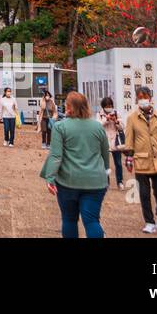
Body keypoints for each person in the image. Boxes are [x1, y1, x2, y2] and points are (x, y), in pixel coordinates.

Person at [40, 91, 110, 238]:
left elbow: (56, 155)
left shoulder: (60, 127)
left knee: (69, 220)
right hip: (95, 182)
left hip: (68, 181)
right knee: (92, 221)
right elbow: (105, 154)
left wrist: (50, 178)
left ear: (70, 107)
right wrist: (106, 173)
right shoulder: (98, 127)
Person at [121, 85, 157, 234]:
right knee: (144, 194)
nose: (143, 100)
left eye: (145, 97)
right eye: (140, 98)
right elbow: (129, 139)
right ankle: (149, 222)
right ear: (136, 99)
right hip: (141, 160)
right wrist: (129, 157)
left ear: (150, 98)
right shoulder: (132, 118)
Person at [97, 97, 125, 189]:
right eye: (107, 106)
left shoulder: (116, 113)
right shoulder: (99, 114)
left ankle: (120, 182)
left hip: (116, 143)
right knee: (105, 164)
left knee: (118, 163)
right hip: (104, 142)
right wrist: (106, 120)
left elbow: (122, 127)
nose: (109, 108)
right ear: (103, 107)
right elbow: (98, 127)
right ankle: (106, 182)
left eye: (110, 106)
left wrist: (116, 121)